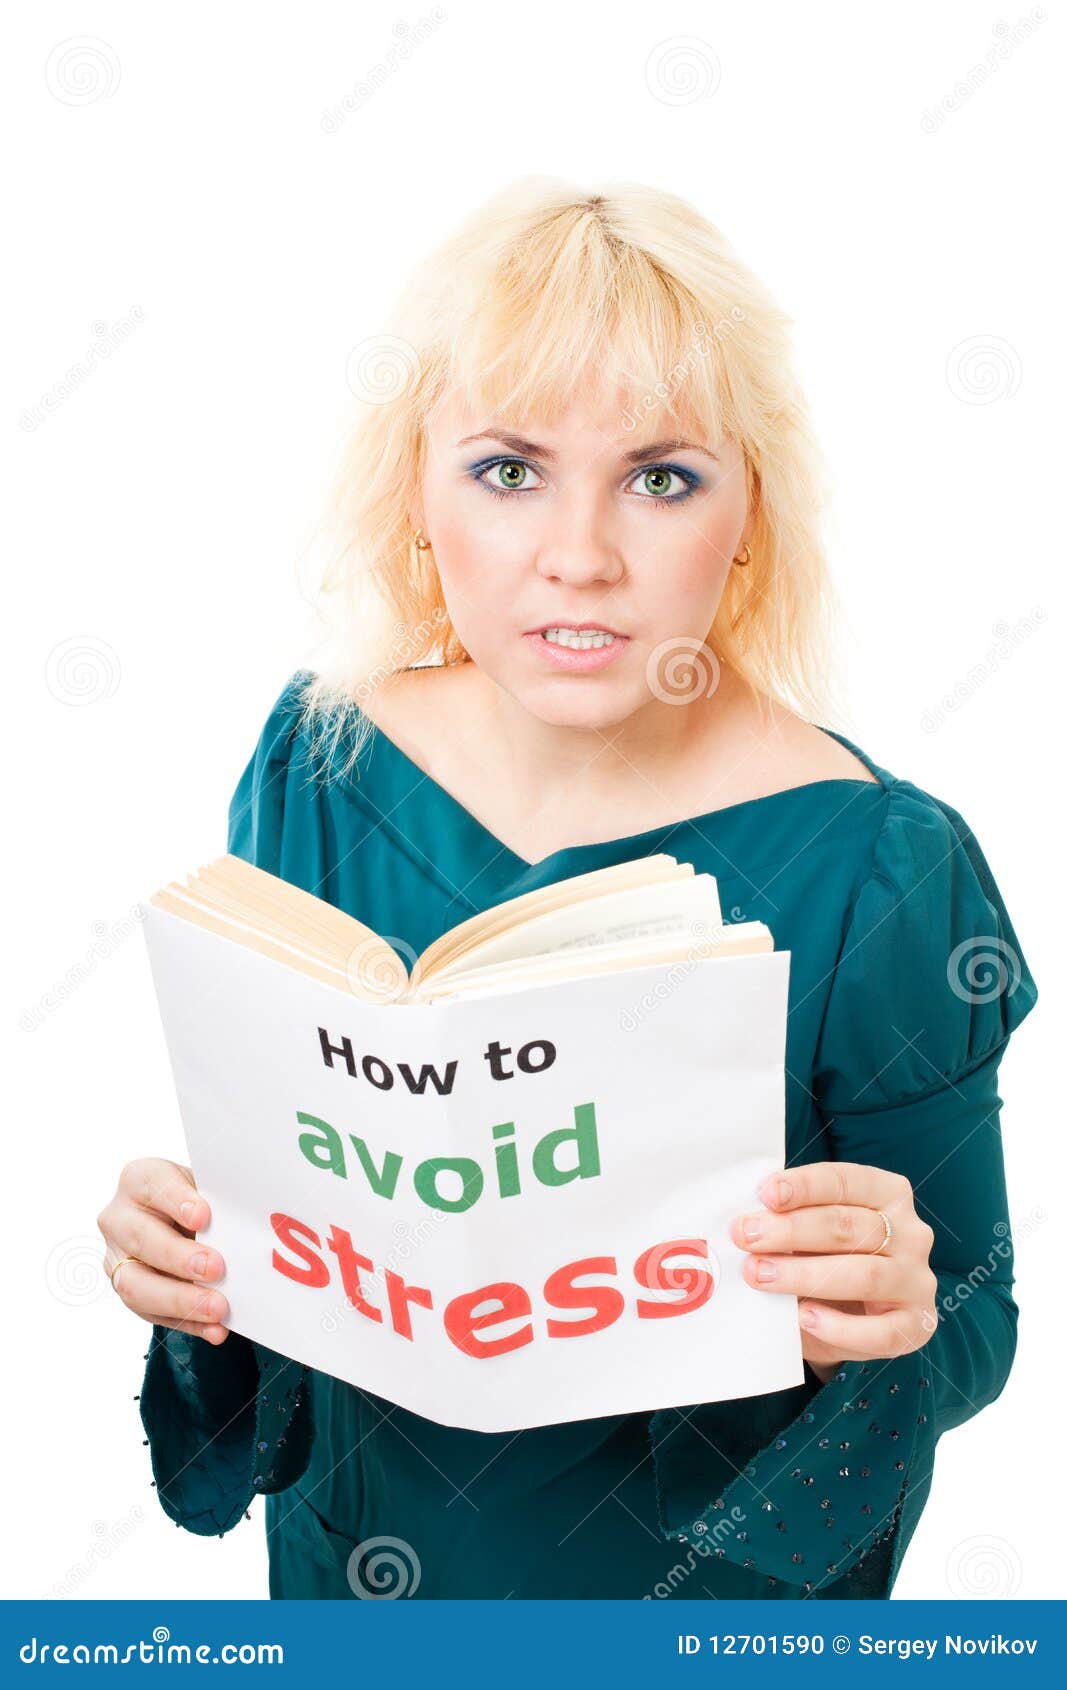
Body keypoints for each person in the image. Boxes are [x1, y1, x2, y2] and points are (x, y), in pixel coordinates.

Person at [96, 177, 1037, 1600]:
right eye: (508, 469)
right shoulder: (320, 761)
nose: (580, 556)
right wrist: (191, 1273)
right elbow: (286, 1206)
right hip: (363, 1583)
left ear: (749, 511)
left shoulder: (886, 871)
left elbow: (976, 1320)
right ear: (416, 489)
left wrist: (902, 1308)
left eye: (661, 477)